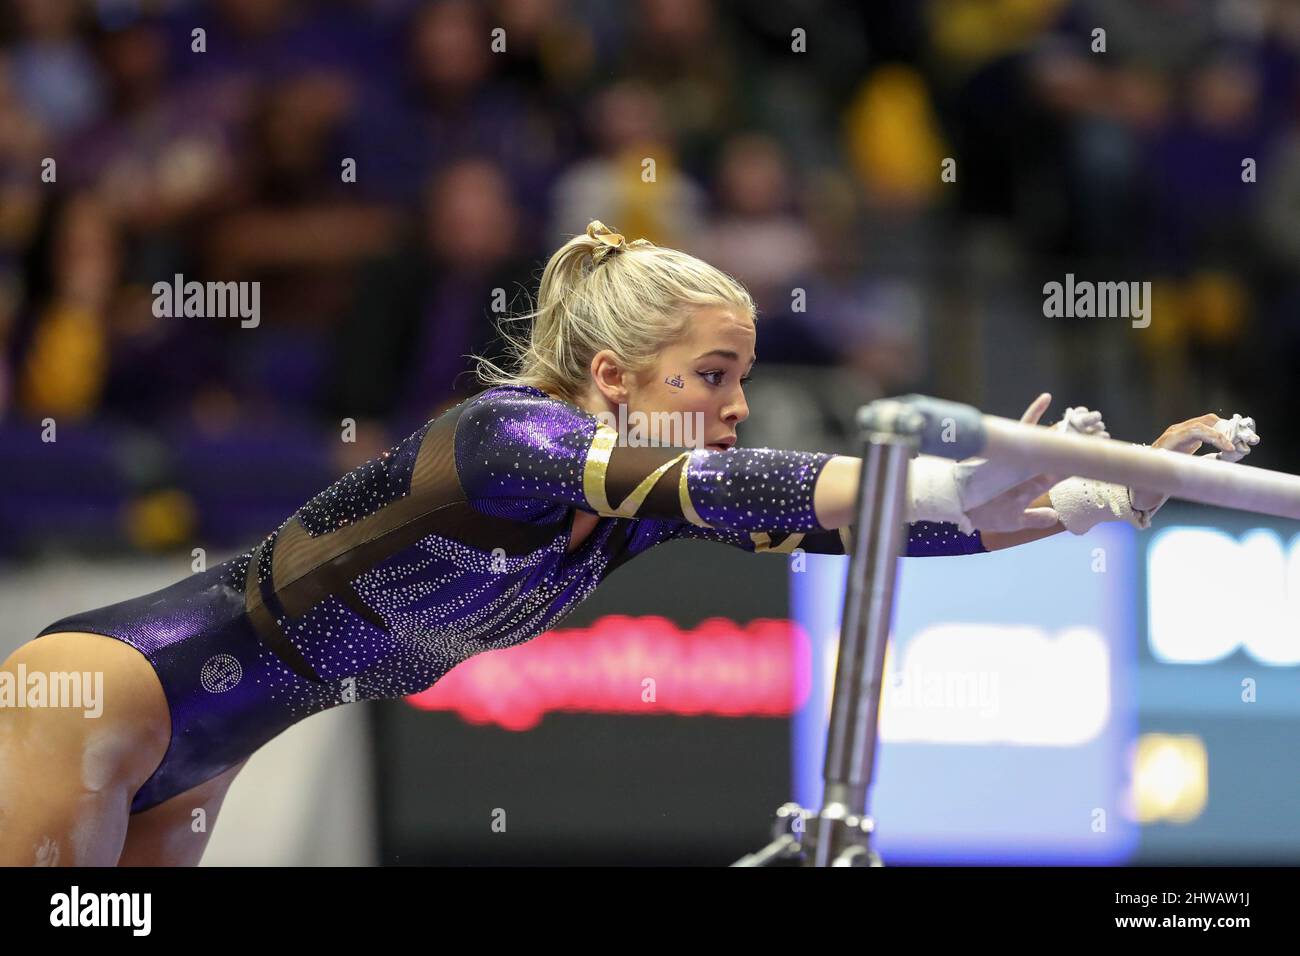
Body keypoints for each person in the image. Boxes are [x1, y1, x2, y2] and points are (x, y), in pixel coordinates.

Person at [0, 220, 1250, 866]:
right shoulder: (506, 442)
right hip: (112, 695)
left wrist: (1099, 492)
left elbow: (878, 532)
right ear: (610, 376)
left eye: (741, 377)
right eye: (710, 374)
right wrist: (964, 468)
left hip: (206, 762)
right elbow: (778, 480)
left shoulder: (620, 526)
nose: (734, 405)